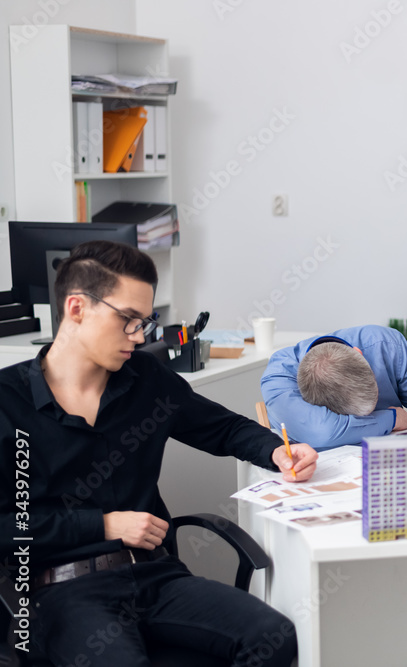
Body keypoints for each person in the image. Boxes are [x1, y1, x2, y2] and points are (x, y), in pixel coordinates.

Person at [0, 241, 318, 666]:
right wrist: (103, 524)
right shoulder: (7, 402)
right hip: (62, 592)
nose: (138, 336)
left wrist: (278, 452)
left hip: (156, 575)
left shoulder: (145, 378)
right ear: (76, 308)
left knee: (273, 636)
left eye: (145, 322)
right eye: (127, 320)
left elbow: (221, 427)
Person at [261, 326, 407, 450]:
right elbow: (322, 431)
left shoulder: (388, 347)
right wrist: (391, 419)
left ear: (359, 353)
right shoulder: (279, 378)